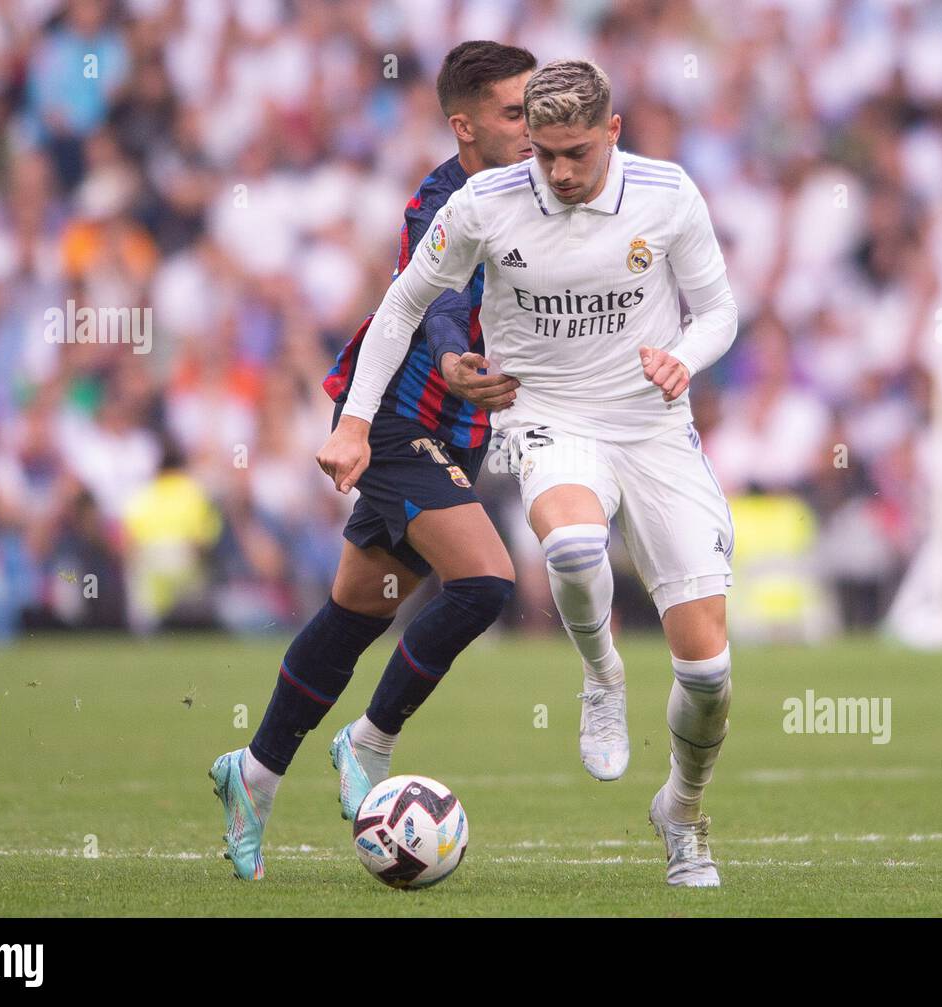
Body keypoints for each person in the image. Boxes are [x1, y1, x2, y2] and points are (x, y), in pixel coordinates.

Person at [318, 59, 739, 887]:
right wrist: (358, 422)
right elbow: (404, 301)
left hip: (653, 426)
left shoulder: (668, 193)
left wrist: (682, 359)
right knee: (575, 544)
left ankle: (683, 811)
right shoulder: (487, 202)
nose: (558, 172)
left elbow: (719, 308)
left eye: (576, 153)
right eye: (543, 154)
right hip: (549, 417)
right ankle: (602, 674)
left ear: (613, 132)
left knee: (708, 672)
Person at [210, 41, 536, 881]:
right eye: (513, 112)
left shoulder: (547, 188)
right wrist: (454, 360)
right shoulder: (443, 200)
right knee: (487, 582)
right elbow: (431, 305)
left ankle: (251, 773)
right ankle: (370, 739)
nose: (532, 127)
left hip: (459, 433)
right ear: (464, 126)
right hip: (397, 420)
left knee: (358, 611)